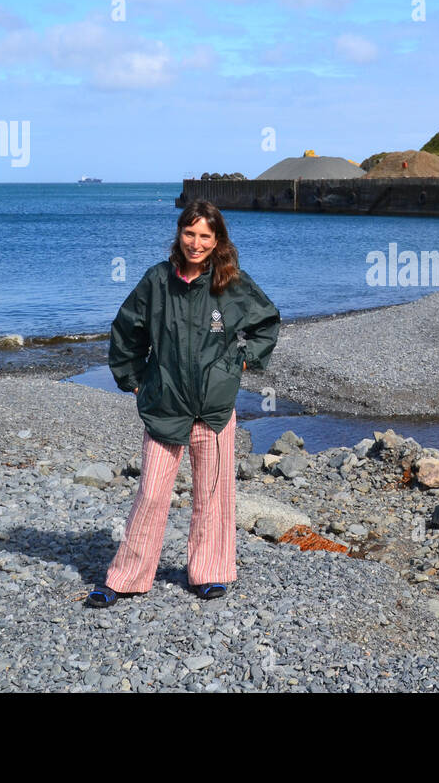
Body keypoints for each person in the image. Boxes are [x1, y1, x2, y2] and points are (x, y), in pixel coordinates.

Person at [86, 200, 280, 607]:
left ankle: (210, 573)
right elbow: (125, 334)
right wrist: (136, 382)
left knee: (213, 494)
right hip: (165, 406)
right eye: (189, 234)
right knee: (152, 494)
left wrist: (241, 363)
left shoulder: (231, 283)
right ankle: (127, 577)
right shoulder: (157, 281)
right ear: (179, 234)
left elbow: (266, 323)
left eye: (205, 236)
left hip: (214, 409)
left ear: (217, 239)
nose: (196, 243)